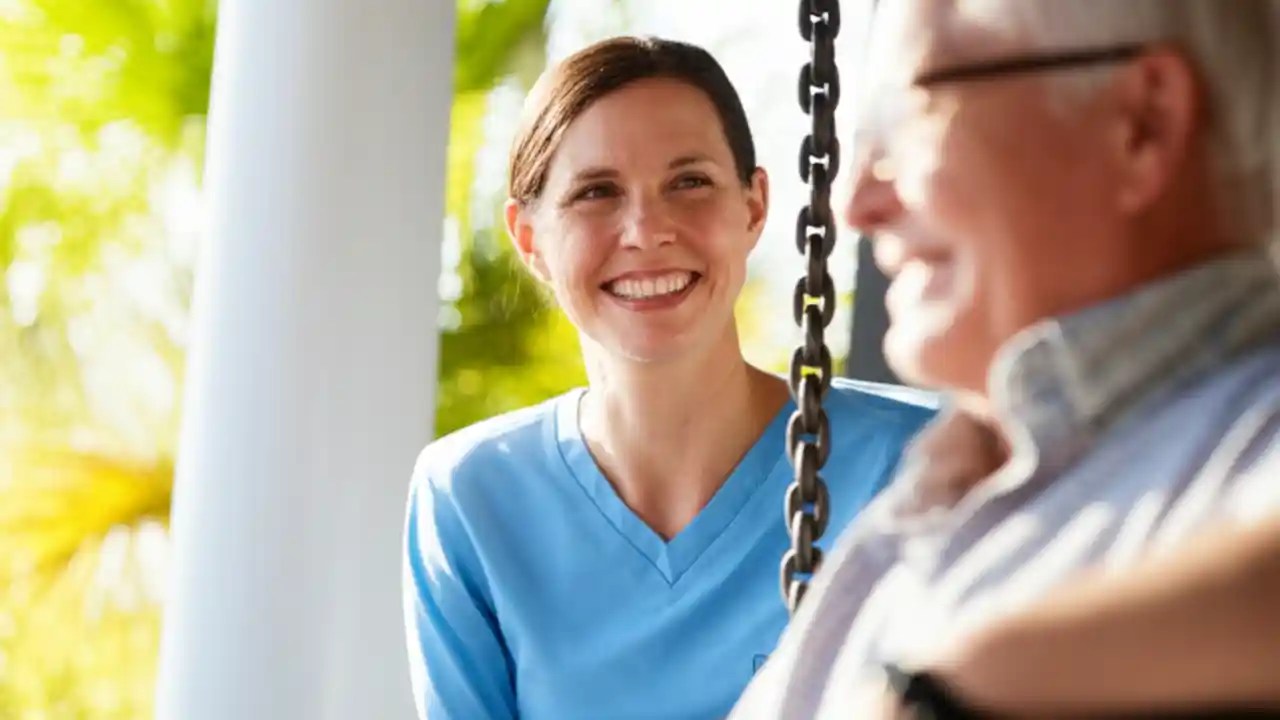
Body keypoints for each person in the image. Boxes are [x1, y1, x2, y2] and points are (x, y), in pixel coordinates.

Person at [729, 1, 1280, 717]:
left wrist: (959, 693)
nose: (855, 205)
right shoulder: (918, 510)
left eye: (910, 113)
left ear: (1142, 125)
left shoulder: (1251, 448)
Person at [400, 36, 936, 720]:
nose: (647, 229)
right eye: (596, 192)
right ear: (529, 239)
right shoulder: (469, 496)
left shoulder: (918, 462)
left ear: (754, 206)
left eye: (689, 182)